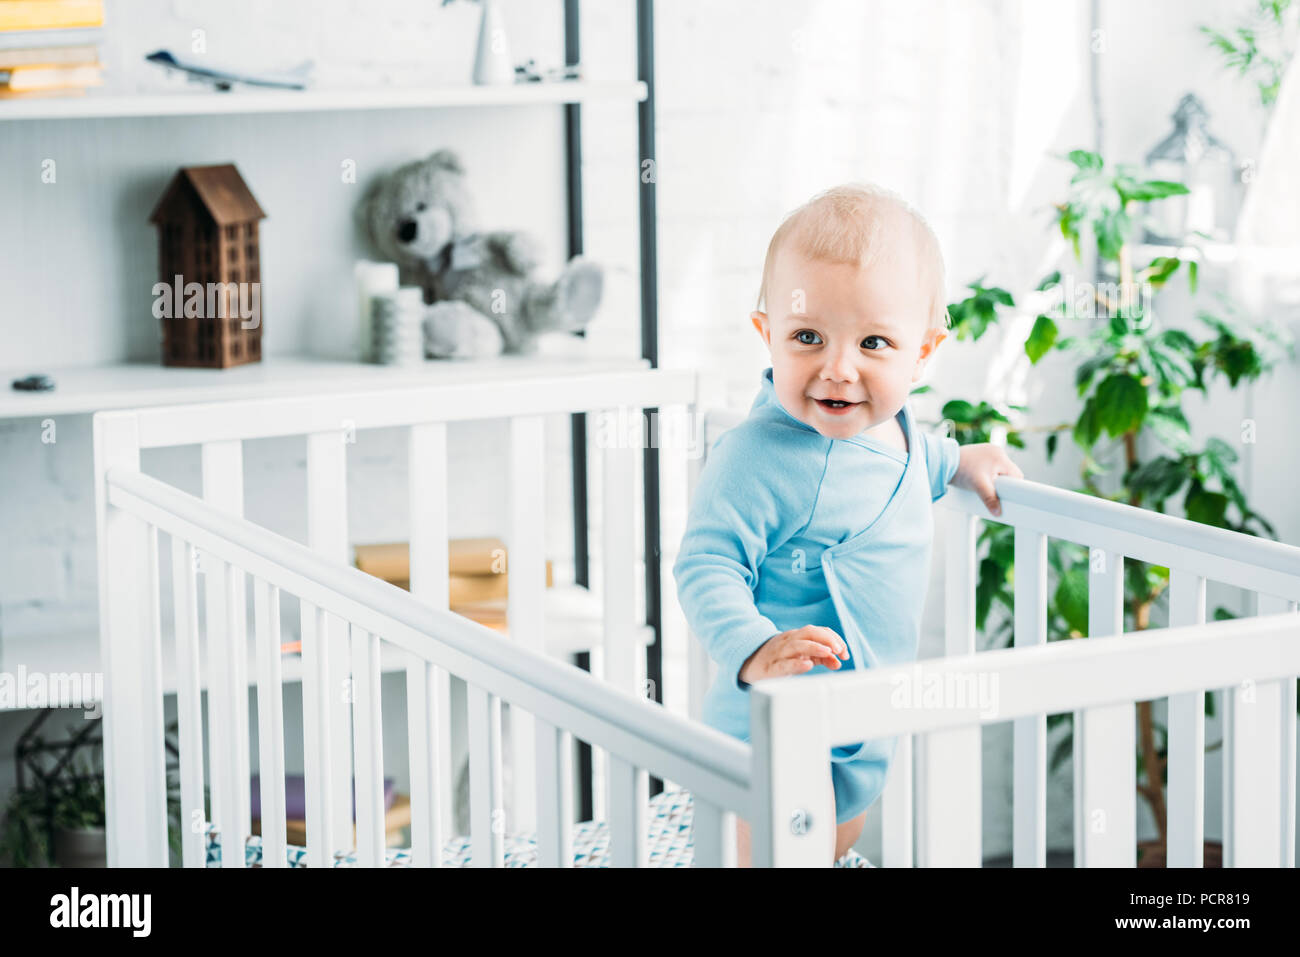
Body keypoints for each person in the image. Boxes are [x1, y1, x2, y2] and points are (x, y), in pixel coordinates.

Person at [673, 183, 1023, 866]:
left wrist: (959, 459)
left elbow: (902, 473)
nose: (838, 368)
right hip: (771, 731)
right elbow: (705, 565)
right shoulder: (756, 455)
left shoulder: (897, 433)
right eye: (807, 337)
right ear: (765, 333)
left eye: (873, 342)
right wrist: (752, 645)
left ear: (922, 352)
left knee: (839, 836)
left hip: (861, 724)